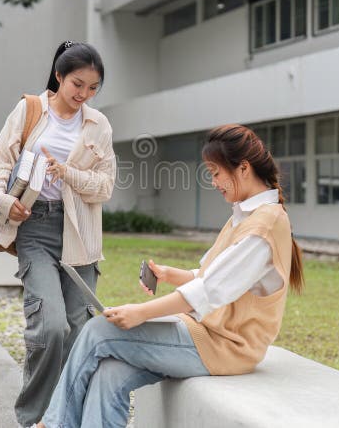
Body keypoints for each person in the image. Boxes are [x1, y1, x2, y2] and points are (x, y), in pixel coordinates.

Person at [38, 124, 305, 428]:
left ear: (243, 168)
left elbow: (208, 291)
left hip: (223, 347)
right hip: (204, 335)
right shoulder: (246, 216)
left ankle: (53, 424)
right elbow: (209, 276)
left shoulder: (265, 224)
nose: (214, 182)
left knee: (98, 331)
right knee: (108, 374)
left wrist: (140, 313)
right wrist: (167, 274)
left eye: (216, 173)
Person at [0, 41, 116, 427]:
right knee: (51, 325)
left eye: (93, 88)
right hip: (34, 226)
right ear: (59, 76)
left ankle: (66, 418)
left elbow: (105, 186)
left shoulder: (98, 124)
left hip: (80, 233)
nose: (83, 94)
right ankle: (33, 418)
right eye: (77, 84)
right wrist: (6, 203)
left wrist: (67, 173)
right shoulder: (29, 111)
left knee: (81, 331)